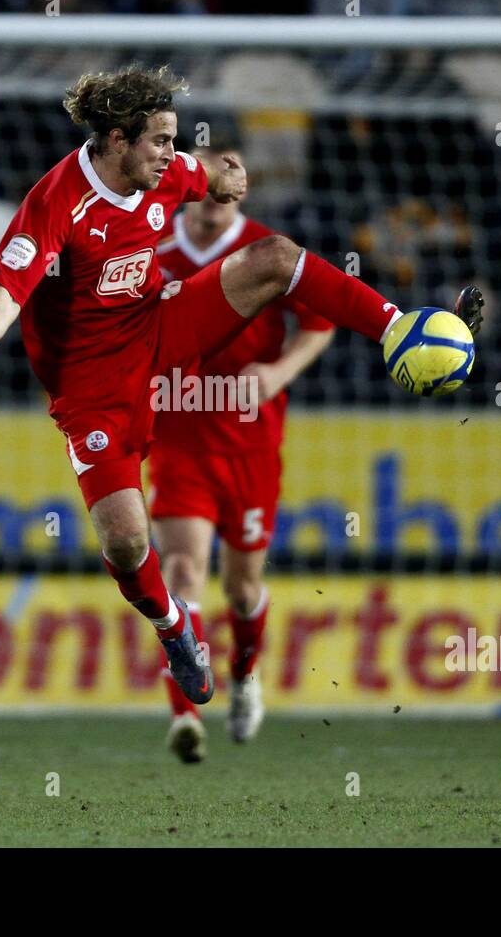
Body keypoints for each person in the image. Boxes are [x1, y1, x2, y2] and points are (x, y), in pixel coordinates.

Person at [0, 64, 482, 708]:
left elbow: (210, 170)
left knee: (273, 257)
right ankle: (173, 625)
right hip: (91, 389)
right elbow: (6, 293)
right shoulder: (56, 204)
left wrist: (230, 173)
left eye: (173, 139)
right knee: (127, 543)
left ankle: (394, 326)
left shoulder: (164, 172)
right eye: (159, 140)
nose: (171, 153)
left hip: (159, 330)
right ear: (115, 138)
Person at [148, 139, 334, 762]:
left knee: (243, 589)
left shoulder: (267, 249)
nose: (217, 199)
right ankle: (185, 716)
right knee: (180, 573)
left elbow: (321, 321)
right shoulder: (151, 248)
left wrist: (280, 373)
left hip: (251, 446)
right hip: (177, 443)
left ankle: (246, 676)